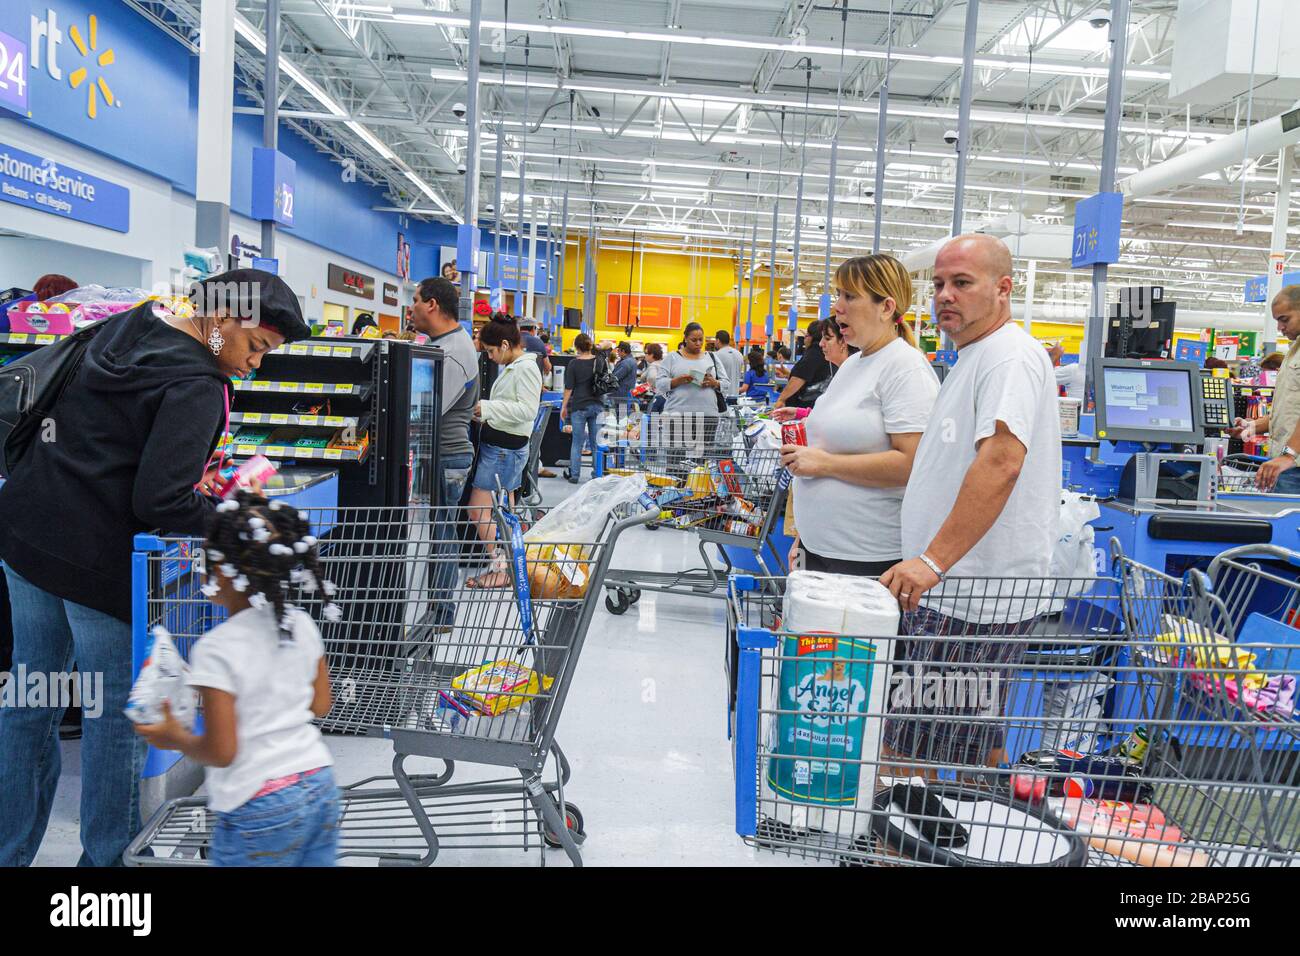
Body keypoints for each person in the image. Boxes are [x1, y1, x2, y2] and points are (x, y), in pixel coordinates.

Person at [0, 268, 311, 867]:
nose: (255, 364)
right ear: (226, 319)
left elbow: (107, 438)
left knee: (27, 703)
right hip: (95, 563)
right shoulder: (197, 383)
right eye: (257, 346)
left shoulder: (128, 327)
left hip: (26, 533)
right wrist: (229, 514)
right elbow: (161, 503)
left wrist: (184, 480)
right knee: (114, 718)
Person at [880, 234, 1062, 774]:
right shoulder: (976, 356)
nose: (944, 295)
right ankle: (987, 836)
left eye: (962, 282)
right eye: (938, 284)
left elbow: (1002, 461)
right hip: (953, 594)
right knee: (970, 742)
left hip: (970, 599)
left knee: (910, 750)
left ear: (1003, 289)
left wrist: (932, 560)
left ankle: (900, 855)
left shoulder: (1008, 358)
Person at [134, 493, 338, 867]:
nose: (201, 570)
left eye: (205, 559)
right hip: (317, 782)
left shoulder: (216, 649)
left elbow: (222, 751)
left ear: (224, 572)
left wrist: (173, 737)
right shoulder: (300, 624)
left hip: (258, 803)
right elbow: (320, 704)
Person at [777, 254, 938, 578]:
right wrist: (803, 536)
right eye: (838, 294)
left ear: (886, 307)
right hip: (817, 547)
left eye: (850, 296)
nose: (838, 307)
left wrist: (823, 464)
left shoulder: (905, 368)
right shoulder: (854, 364)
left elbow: (912, 464)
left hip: (864, 556)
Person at [408, 276, 480, 631]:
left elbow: (425, 409)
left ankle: (442, 612)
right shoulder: (442, 344)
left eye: (416, 299)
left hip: (447, 456)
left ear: (432, 304)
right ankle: (435, 608)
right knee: (438, 531)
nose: (412, 306)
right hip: (438, 454)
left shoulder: (454, 351)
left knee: (441, 532)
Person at [466, 315, 543, 586]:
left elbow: (527, 410)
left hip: (504, 449)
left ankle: (501, 568)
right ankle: (507, 564)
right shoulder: (515, 366)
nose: (490, 357)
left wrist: (486, 408)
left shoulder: (525, 369)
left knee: (479, 511)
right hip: (501, 446)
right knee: (503, 511)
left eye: (490, 351)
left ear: (505, 344)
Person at [1231, 286, 1300, 492]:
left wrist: (1290, 456)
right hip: (1287, 465)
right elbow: (1287, 413)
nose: (1279, 327)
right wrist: (1251, 426)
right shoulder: (1294, 350)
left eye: (1284, 319)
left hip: (1293, 465)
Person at [561, 333, 604, 484]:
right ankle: (597, 474)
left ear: (577, 347)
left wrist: (563, 406)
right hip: (597, 404)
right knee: (596, 442)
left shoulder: (573, 364)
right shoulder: (599, 362)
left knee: (577, 443)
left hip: (579, 406)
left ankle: (574, 475)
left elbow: (569, 388)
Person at [775, 320, 832, 409]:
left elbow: (799, 378)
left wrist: (781, 399)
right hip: (815, 405)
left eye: (807, 334)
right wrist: (787, 374)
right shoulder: (823, 353)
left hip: (803, 406)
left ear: (811, 337)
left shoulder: (814, 352)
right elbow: (810, 376)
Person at [713, 329, 745, 399]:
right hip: (735, 395)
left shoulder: (716, 355)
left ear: (718, 340)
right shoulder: (739, 354)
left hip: (722, 396)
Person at [612, 341, 638, 412]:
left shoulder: (626, 363)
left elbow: (616, 377)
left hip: (621, 394)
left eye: (618, 351)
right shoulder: (631, 360)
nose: (617, 352)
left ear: (623, 351)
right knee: (624, 415)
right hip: (626, 393)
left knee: (621, 416)